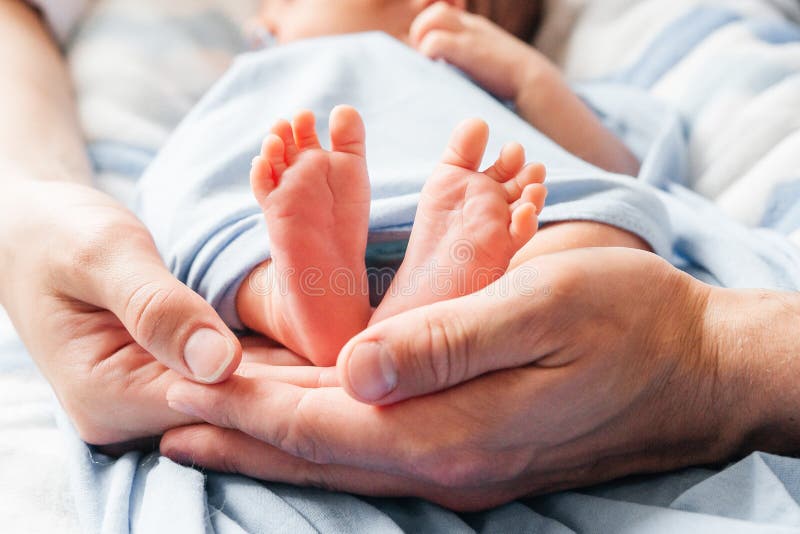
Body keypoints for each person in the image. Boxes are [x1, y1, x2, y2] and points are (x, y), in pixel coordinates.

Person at [4, 0, 799, 514]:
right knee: (215, 208)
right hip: (313, 181)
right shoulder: (256, 83)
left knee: (585, 228)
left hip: (493, 216)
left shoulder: (492, 94)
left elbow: (633, 168)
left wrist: (533, 83)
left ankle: (364, 294)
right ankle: (313, 296)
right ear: (268, 20)